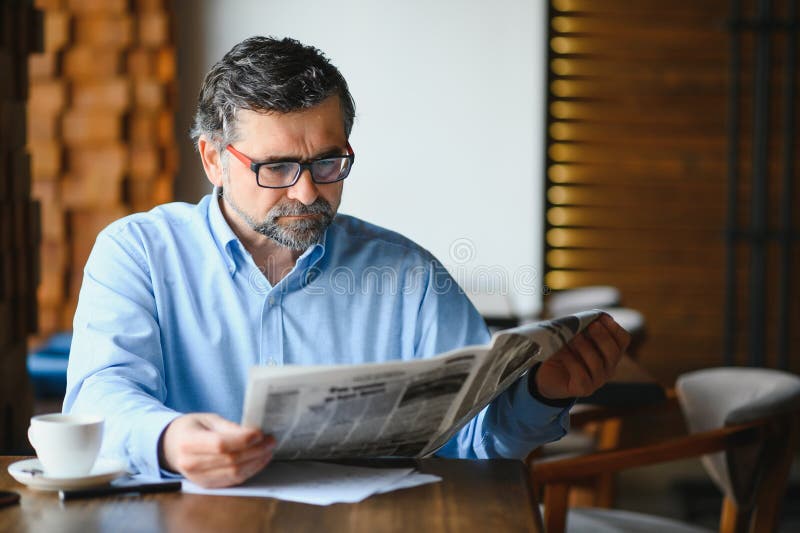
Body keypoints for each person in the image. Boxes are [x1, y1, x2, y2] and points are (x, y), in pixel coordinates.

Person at [65, 36, 629, 488]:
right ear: (213, 159)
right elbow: (99, 392)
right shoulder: (137, 252)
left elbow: (475, 440)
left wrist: (541, 395)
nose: (309, 193)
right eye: (279, 167)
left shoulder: (408, 276)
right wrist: (168, 440)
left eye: (329, 162)